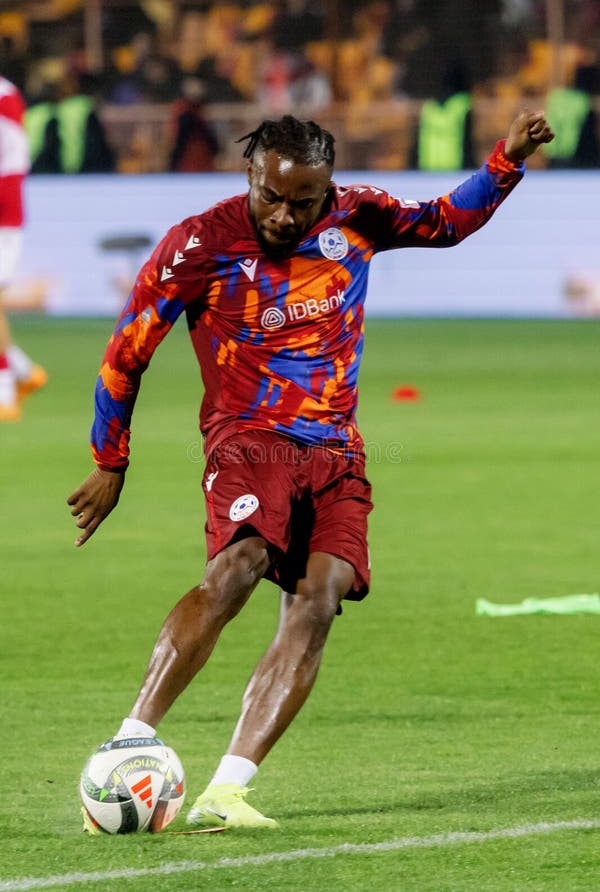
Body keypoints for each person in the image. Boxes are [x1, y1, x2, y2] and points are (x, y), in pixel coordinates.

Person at [68, 110, 554, 831]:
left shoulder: (358, 215)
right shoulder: (199, 244)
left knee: (320, 598)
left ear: (327, 188)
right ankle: (132, 739)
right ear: (250, 175)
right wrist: (110, 459)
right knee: (238, 566)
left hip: (335, 449)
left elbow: (447, 221)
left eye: (304, 201)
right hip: (249, 437)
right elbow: (126, 352)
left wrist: (505, 162)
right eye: (272, 196)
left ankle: (226, 792)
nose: (286, 215)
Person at [0, 75, 47, 422]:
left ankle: (5, 386)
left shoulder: (3, 96)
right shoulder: (8, 93)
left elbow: (11, 154)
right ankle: (21, 370)